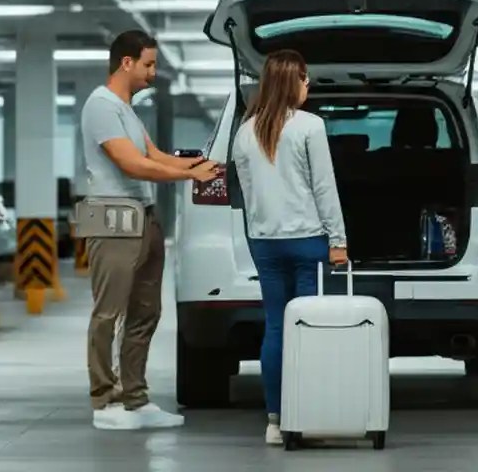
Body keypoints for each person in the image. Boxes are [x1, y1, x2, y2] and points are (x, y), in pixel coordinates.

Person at [80, 29, 221, 431]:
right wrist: (187, 179)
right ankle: (104, 401)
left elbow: (154, 156)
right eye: (148, 64)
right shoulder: (101, 106)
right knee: (109, 312)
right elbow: (132, 165)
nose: (153, 72)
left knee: (146, 311)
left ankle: (135, 399)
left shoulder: (126, 109)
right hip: (112, 215)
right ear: (127, 62)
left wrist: (197, 167)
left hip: (142, 214)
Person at [229, 49, 348, 446]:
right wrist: (338, 241)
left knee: (277, 328)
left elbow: (246, 194)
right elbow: (324, 187)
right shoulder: (310, 126)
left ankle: (275, 421)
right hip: (307, 241)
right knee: (309, 331)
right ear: (290, 81)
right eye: (304, 78)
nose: (308, 84)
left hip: (265, 244)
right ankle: (308, 414)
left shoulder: (245, 131)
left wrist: (257, 236)